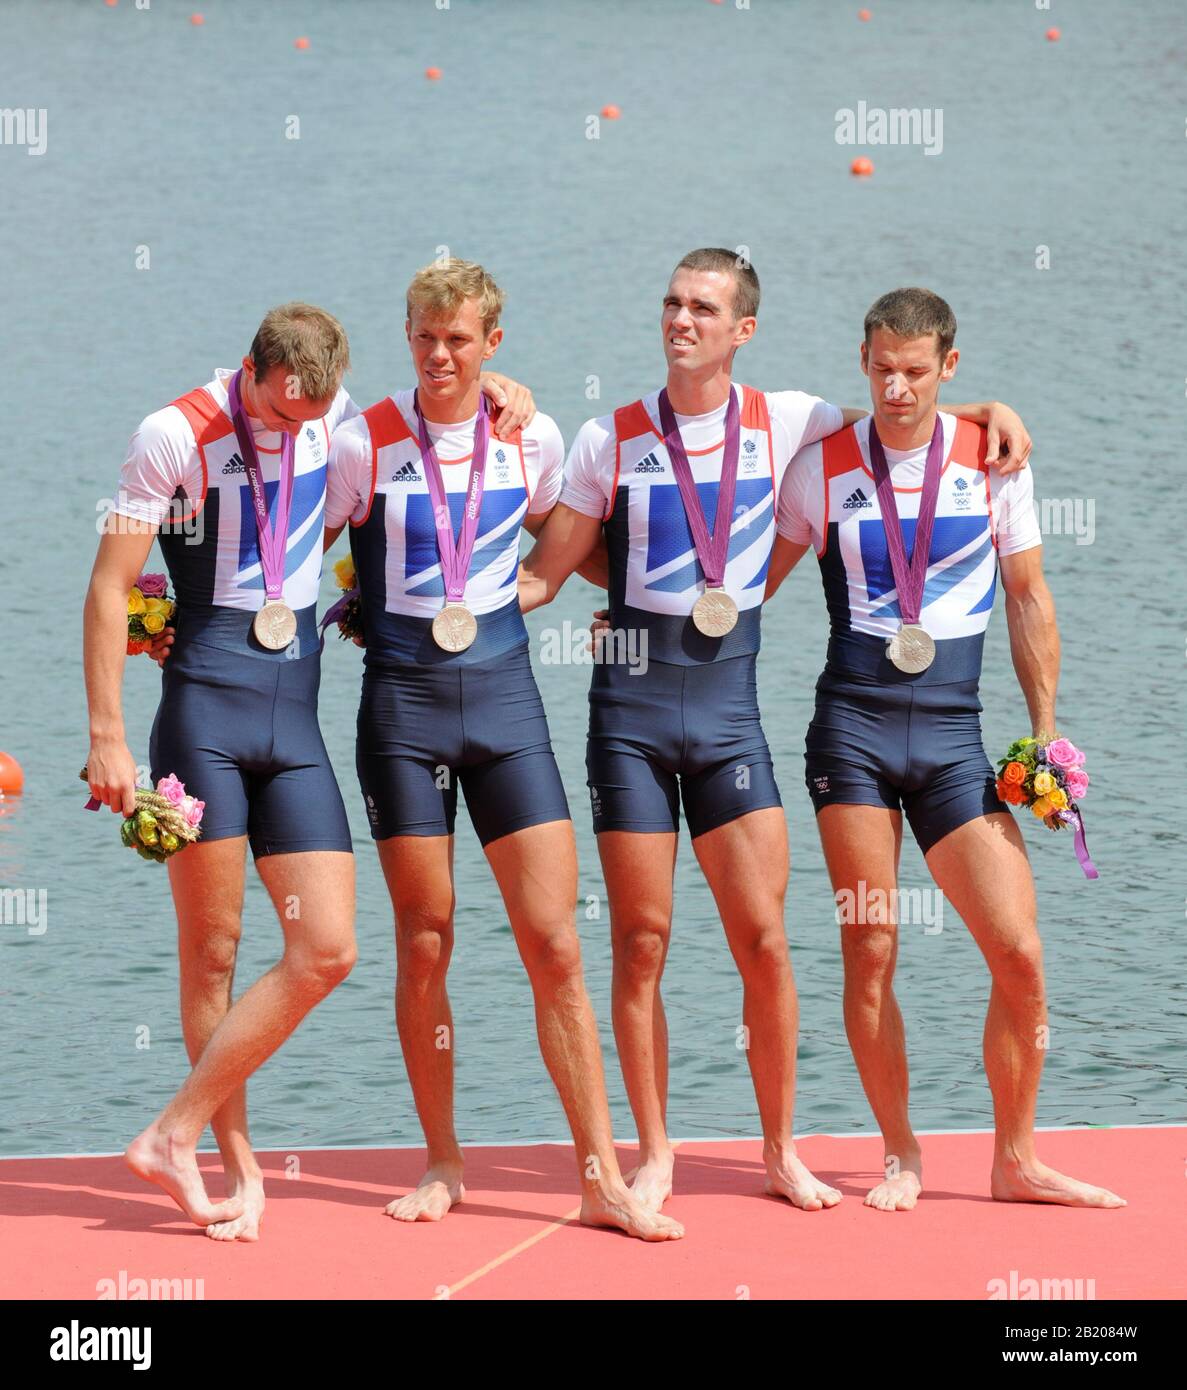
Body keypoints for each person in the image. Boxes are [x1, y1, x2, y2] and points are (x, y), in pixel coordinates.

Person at [517, 248, 1034, 1212]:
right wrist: (424, 591)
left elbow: (904, 413)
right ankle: (657, 1153)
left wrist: (991, 411)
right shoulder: (606, 438)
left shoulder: (789, 421)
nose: (681, 319)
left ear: (740, 330)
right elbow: (549, 570)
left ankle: (778, 1150)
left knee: (763, 941)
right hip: (626, 718)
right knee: (639, 941)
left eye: (702, 308)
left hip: (730, 723)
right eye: (671, 302)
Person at [85, 302, 532, 1241]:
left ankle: (172, 1131)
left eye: (312, 421)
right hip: (201, 713)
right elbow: (109, 585)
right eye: (282, 418)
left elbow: (429, 426)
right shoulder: (172, 435)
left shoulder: (340, 423)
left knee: (328, 948)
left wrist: (495, 388)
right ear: (251, 374)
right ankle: (237, 1169)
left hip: (295, 721)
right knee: (214, 951)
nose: (299, 437)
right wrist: (108, 736)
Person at [324, 259, 682, 1241]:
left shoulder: (532, 436)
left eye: (459, 339)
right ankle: (443, 1161)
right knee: (425, 938)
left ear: (492, 344)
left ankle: (600, 1176)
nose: (440, 356)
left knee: (557, 945)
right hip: (400, 716)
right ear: (408, 336)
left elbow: (568, 553)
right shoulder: (362, 443)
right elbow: (281, 534)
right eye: (424, 337)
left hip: (508, 711)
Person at [767, 286, 1124, 1211]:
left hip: (954, 736)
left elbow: (1029, 599)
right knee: (870, 944)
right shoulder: (821, 468)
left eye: (915, 372)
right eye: (881, 368)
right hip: (848, 731)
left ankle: (1014, 1159)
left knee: (1019, 954)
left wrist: (1043, 736)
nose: (895, 388)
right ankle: (901, 1153)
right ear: (862, 361)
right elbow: (749, 576)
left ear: (949, 370)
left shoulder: (993, 460)